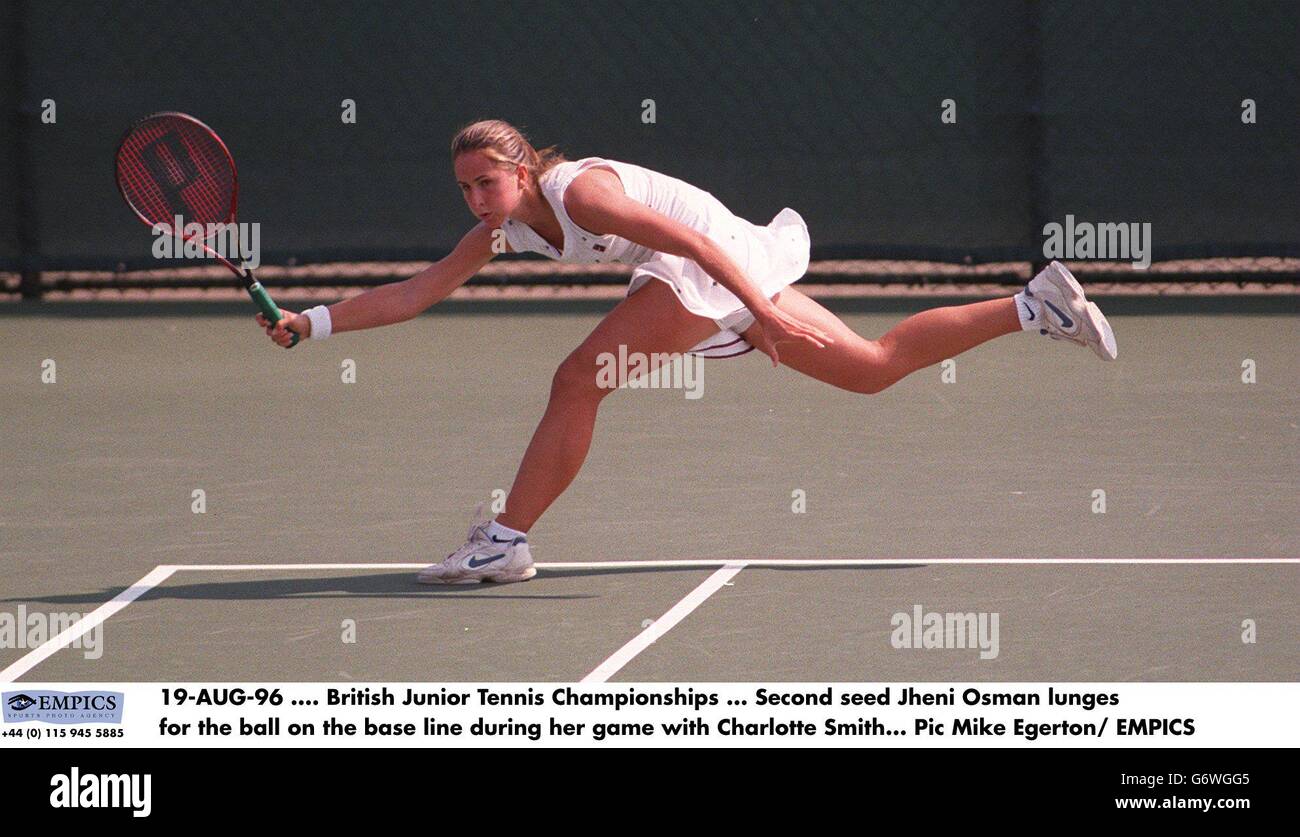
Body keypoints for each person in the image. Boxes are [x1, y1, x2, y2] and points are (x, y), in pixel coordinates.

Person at [257, 119, 1117, 585]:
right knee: (871, 367)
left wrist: (759, 315)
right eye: (466, 187)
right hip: (701, 273)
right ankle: (1031, 304)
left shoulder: (583, 196)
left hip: (712, 266)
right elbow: (415, 292)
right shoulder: (503, 229)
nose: (479, 197)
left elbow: (698, 248)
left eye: (489, 180)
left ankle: (504, 539)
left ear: (525, 169)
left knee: (576, 381)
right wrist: (311, 320)